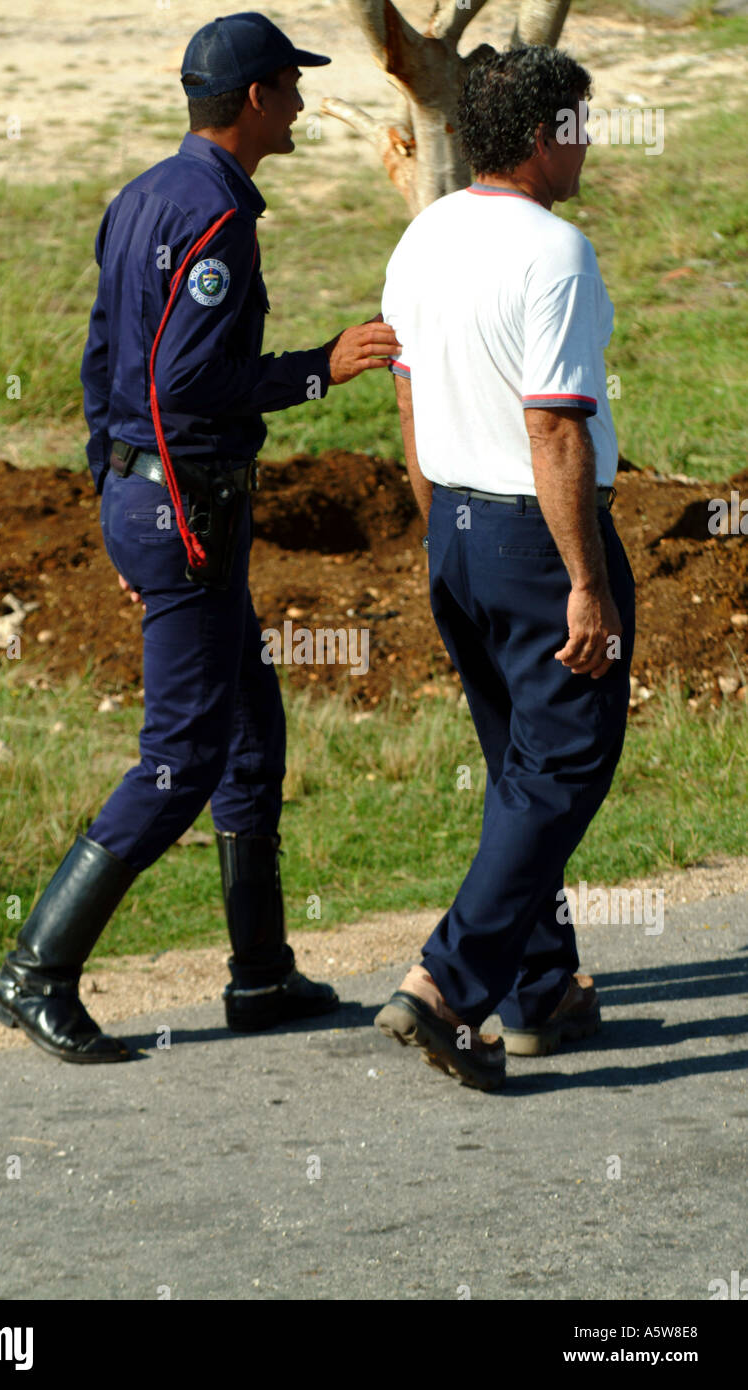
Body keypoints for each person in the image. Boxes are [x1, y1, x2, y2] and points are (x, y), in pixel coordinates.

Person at [0, 11, 400, 1063]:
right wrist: (320, 365)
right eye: (291, 88)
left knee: (250, 728)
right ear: (255, 98)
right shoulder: (213, 217)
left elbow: (98, 363)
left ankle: (258, 973)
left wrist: (116, 500)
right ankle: (34, 970)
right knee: (179, 759)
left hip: (154, 502)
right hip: (185, 510)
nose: (302, 103)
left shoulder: (140, 198)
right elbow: (187, 382)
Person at [375, 46, 635, 1091]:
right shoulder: (554, 251)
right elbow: (553, 430)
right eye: (575, 124)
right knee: (565, 763)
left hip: (456, 533)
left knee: (517, 769)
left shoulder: (424, 233)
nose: (583, 143)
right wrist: (584, 580)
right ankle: (444, 985)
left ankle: (539, 992)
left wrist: (439, 529)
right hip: (537, 537)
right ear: (538, 137)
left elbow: (405, 393)